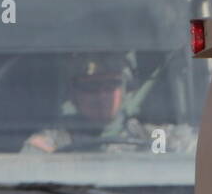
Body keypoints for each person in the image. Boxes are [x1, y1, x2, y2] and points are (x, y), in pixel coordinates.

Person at [22, 51, 195, 155]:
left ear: (125, 90)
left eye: (112, 85)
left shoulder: (150, 137)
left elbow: (201, 150)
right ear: (73, 94)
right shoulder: (50, 142)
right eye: (90, 87)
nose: (102, 95)